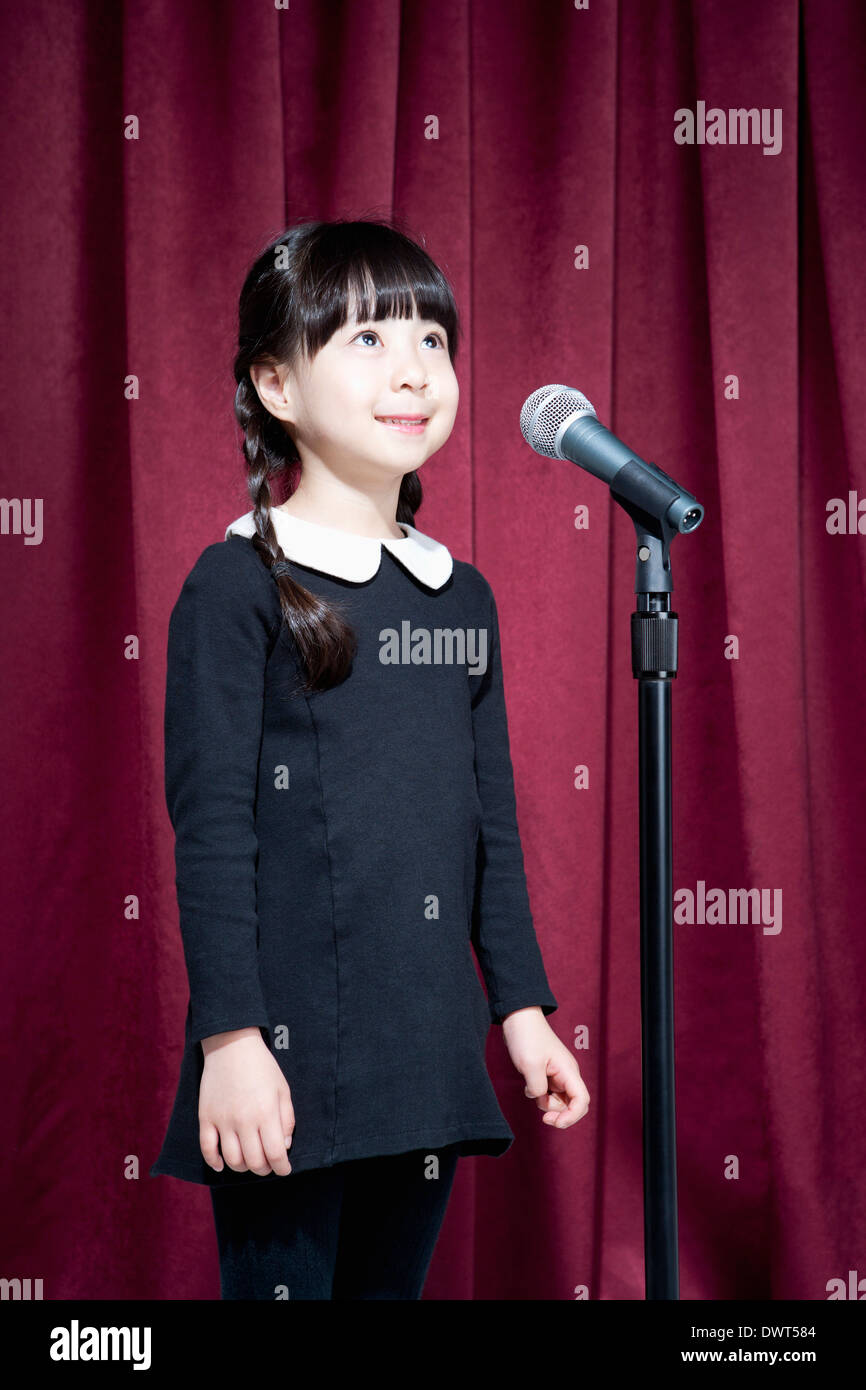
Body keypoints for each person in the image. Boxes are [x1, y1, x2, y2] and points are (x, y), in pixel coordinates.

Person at [150, 216, 590, 1300]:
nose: (411, 369)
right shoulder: (237, 583)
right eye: (366, 340)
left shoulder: (462, 596)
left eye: (431, 341)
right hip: (282, 1058)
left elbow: (486, 819)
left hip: (422, 1049)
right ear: (276, 383)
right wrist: (233, 1039)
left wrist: (521, 1011)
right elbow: (212, 830)